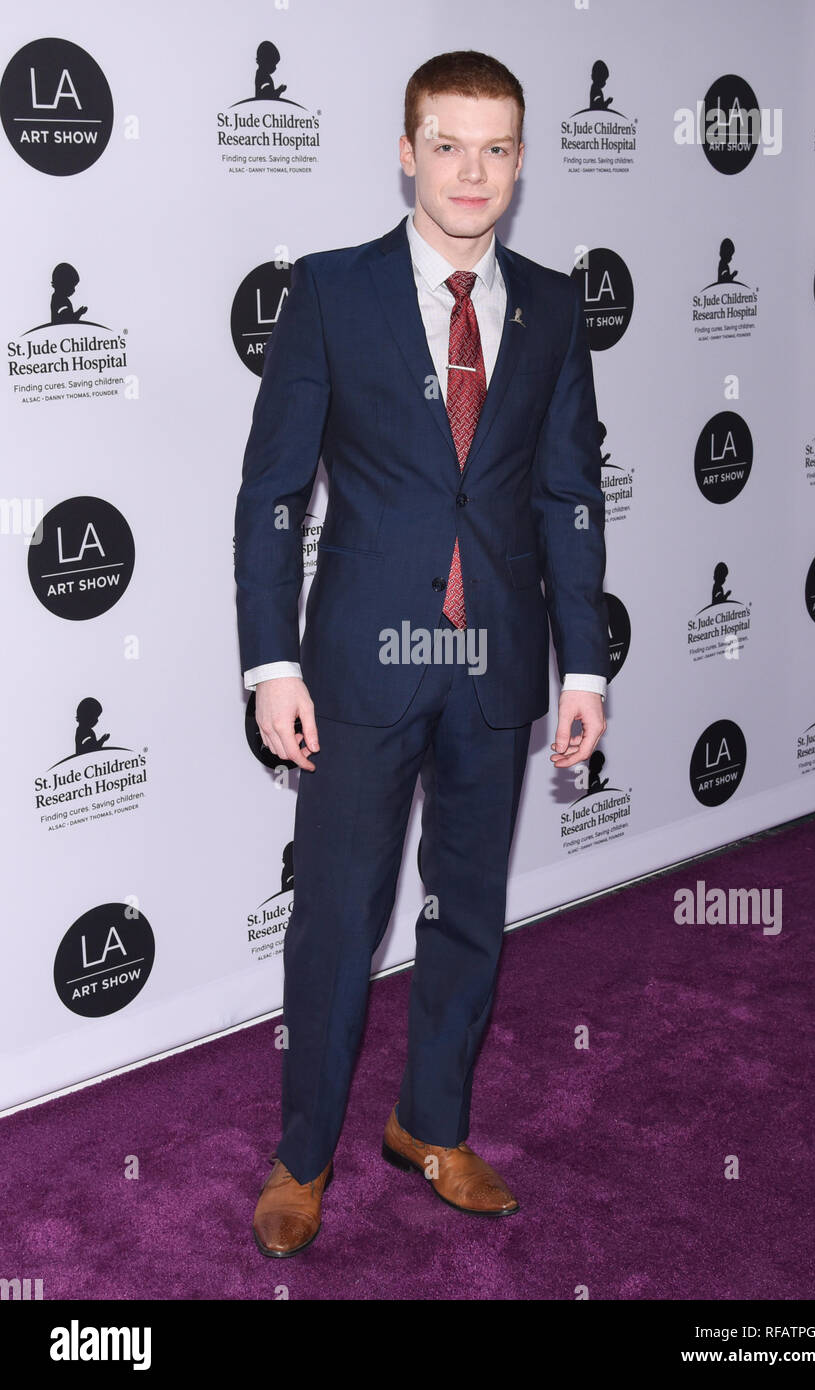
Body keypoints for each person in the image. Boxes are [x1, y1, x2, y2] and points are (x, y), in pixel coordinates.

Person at [233, 49, 609, 1259]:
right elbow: (271, 494)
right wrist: (268, 661)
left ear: (519, 163)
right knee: (336, 917)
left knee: (466, 911)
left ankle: (428, 1125)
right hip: (354, 663)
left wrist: (585, 667)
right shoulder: (330, 293)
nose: (471, 171)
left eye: (496, 148)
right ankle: (304, 1156)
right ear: (406, 152)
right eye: (447, 144)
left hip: (494, 665)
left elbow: (565, 495)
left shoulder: (550, 307)